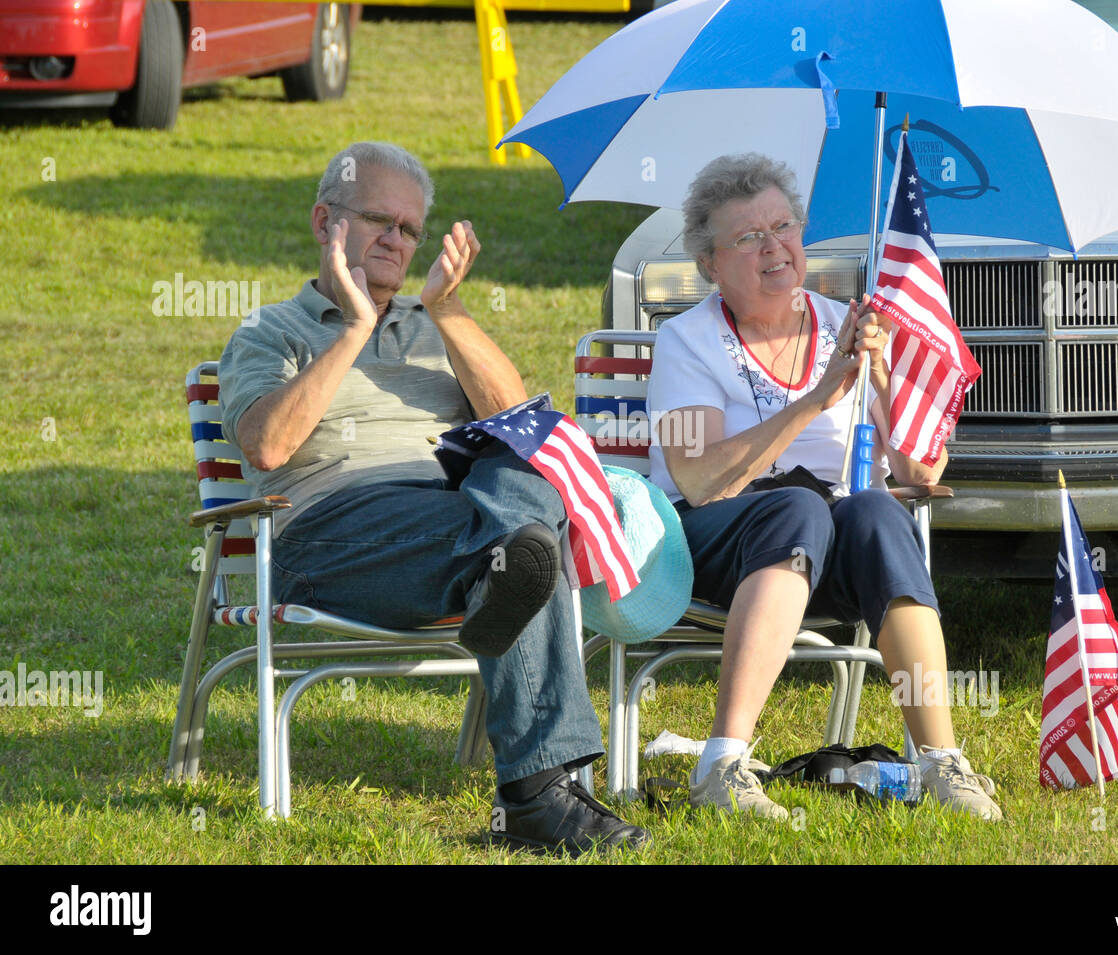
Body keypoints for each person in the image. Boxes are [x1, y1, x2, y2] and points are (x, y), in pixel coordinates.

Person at [219, 141, 648, 855]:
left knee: (528, 480)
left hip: (457, 521)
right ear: (326, 221)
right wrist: (354, 328)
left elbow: (519, 417)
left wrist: (446, 310)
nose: (397, 238)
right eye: (378, 219)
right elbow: (267, 447)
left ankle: (507, 580)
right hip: (333, 535)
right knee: (520, 539)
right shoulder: (272, 332)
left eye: (410, 229)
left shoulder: (431, 324)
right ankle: (540, 794)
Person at [646, 153, 1001, 821]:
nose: (774, 247)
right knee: (800, 507)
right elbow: (698, 478)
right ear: (711, 264)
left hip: (828, 552)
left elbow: (920, 475)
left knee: (876, 511)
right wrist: (815, 399)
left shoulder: (850, 327)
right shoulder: (687, 341)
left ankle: (939, 761)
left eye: (783, 226)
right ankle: (722, 762)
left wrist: (883, 380)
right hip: (714, 548)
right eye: (749, 237)